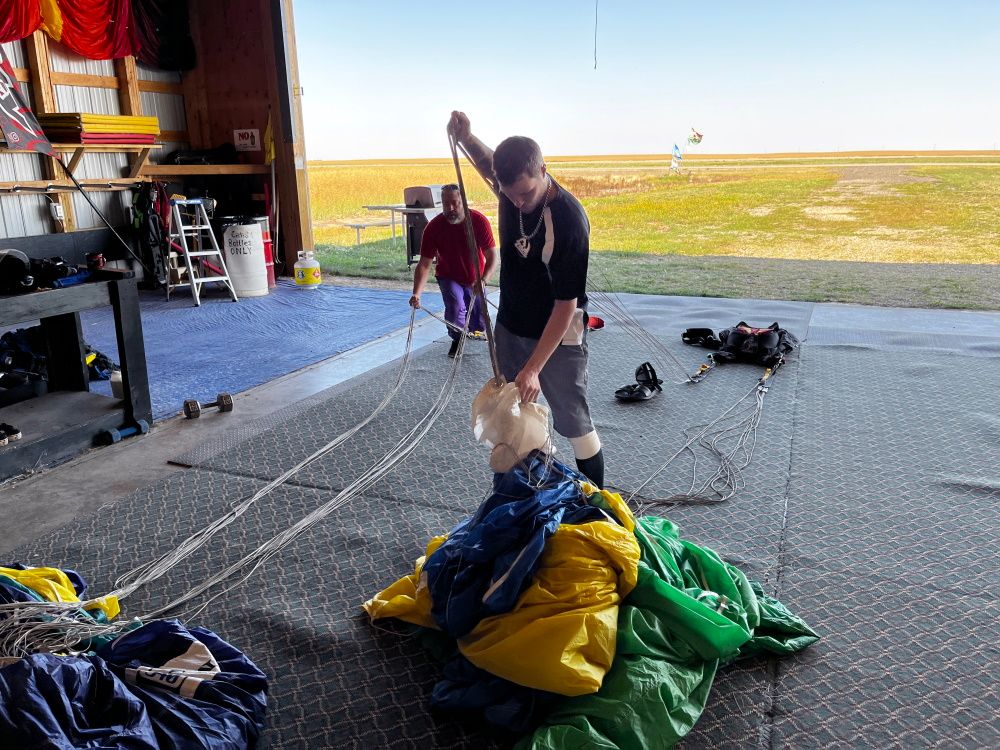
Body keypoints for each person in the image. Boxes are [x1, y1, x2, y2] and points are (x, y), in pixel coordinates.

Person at [448, 111, 605, 488]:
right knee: (515, 414)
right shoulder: (509, 189)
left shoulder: (568, 219)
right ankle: (537, 490)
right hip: (512, 325)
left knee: (572, 419)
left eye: (526, 193)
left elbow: (566, 305)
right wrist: (467, 137)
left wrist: (534, 367)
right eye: (510, 193)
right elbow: (487, 164)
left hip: (558, 333)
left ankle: (596, 501)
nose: (518, 203)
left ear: (544, 171)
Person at [409, 183, 497, 358]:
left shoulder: (478, 221)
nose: (450, 208)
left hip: (476, 277)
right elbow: (424, 264)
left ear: (463, 201)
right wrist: (416, 294)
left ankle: (475, 332)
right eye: (445, 204)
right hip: (448, 276)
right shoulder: (433, 228)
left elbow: (493, 256)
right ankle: (457, 338)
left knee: (479, 317)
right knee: (456, 308)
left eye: (454, 203)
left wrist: (484, 279)